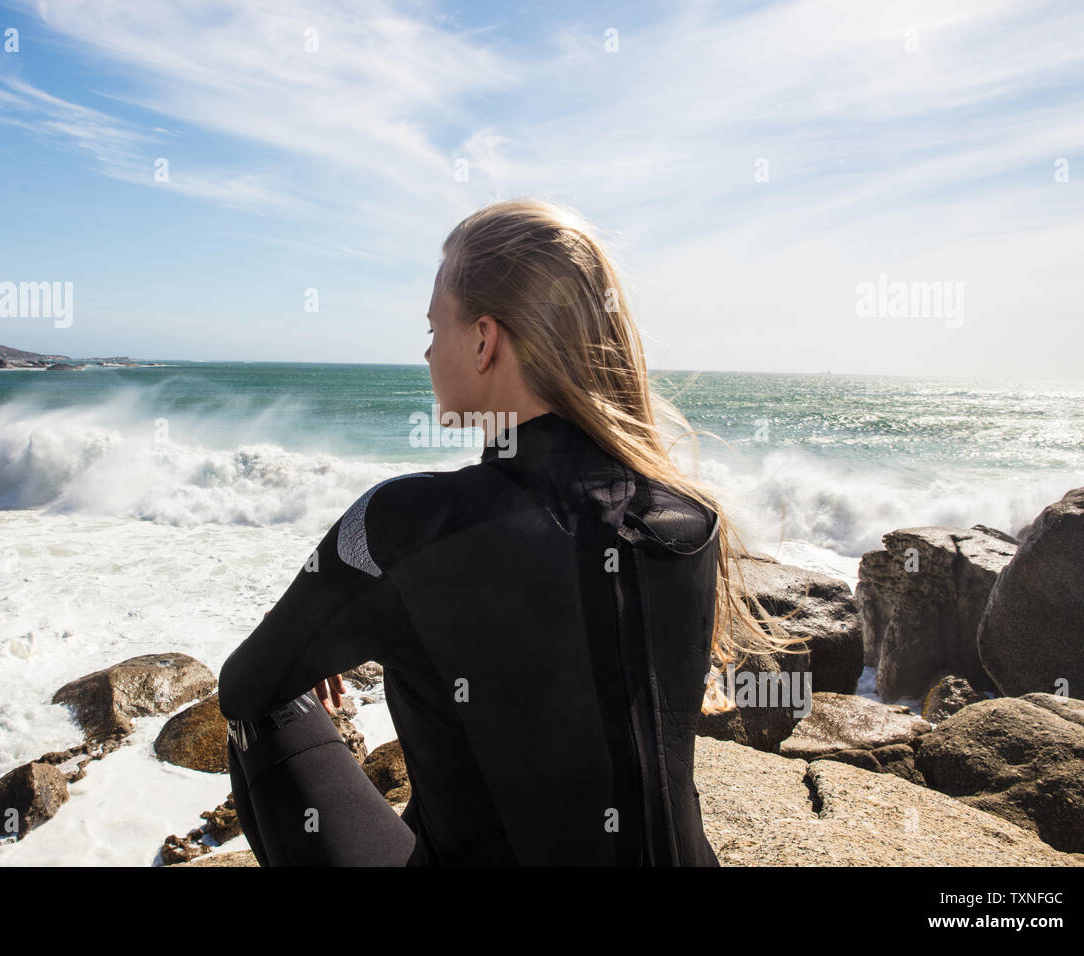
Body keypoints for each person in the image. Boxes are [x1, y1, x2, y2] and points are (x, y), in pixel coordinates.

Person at [218, 198, 807, 866]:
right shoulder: (688, 519)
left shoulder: (405, 524)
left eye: (435, 327)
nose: (427, 349)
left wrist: (325, 636)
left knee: (261, 710)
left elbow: (244, 684)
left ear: (483, 338)